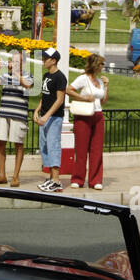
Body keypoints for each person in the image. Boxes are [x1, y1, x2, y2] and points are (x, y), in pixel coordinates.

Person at [0, 52, 33, 187]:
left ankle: (15, 176)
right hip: (4, 114)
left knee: (18, 144)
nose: (12, 63)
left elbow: (27, 85)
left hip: (19, 115)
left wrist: (16, 73)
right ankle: (2, 175)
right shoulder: (5, 76)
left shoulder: (28, 76)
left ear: (22, 63)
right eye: (11, 61)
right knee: (0, 142)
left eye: (16, 62)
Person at [68, 53, 108, 190]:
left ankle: (95, 180)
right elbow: (69, 90)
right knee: (81, 149)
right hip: (83, 116)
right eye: (102, 64)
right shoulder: (83, 79)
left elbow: (103, 100)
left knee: (97, 149)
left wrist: (106, 87)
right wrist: (83, 98)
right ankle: (78, 179)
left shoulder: (101, 82)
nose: (103, 67)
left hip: (98, 115)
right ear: (96, 65)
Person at [34, 47, 67, 192]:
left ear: (53, 60)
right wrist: (37, 110)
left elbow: (60, 100)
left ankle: (56, 181)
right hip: (45, 116)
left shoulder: (60, 77)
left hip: (54, 118)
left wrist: (47, 116)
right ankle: (51, 178)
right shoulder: (46, 75)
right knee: (45, 147)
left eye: (45, 58)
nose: (43, 60)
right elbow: (45, 96)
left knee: (53, 147)